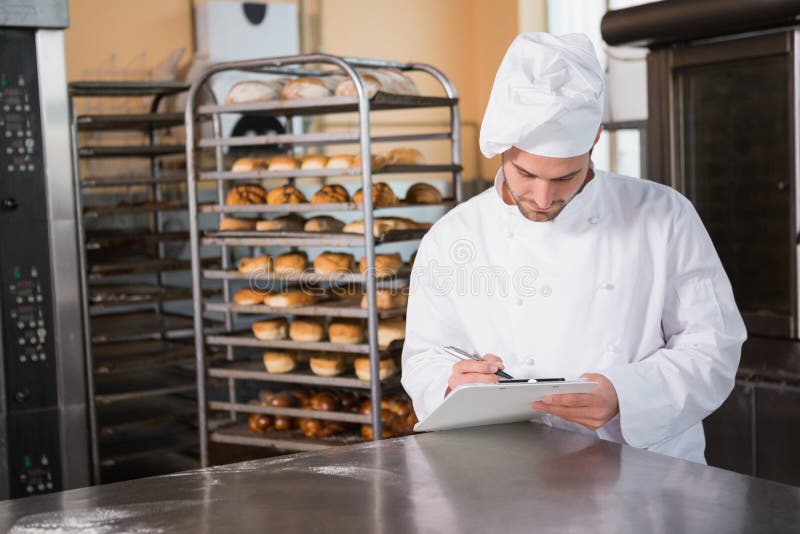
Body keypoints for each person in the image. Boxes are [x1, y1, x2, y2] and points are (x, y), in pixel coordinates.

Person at [400, 32, 747, 463]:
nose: (543, 198)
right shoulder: (453, 238)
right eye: (525, 173)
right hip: (510, 473)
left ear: (596, 138)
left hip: (644, 473)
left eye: (565, 177)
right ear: (501, 146)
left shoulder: (664, 216)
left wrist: (626, 394)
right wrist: (452, 384)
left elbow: (713, 347)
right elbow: (425, 356)